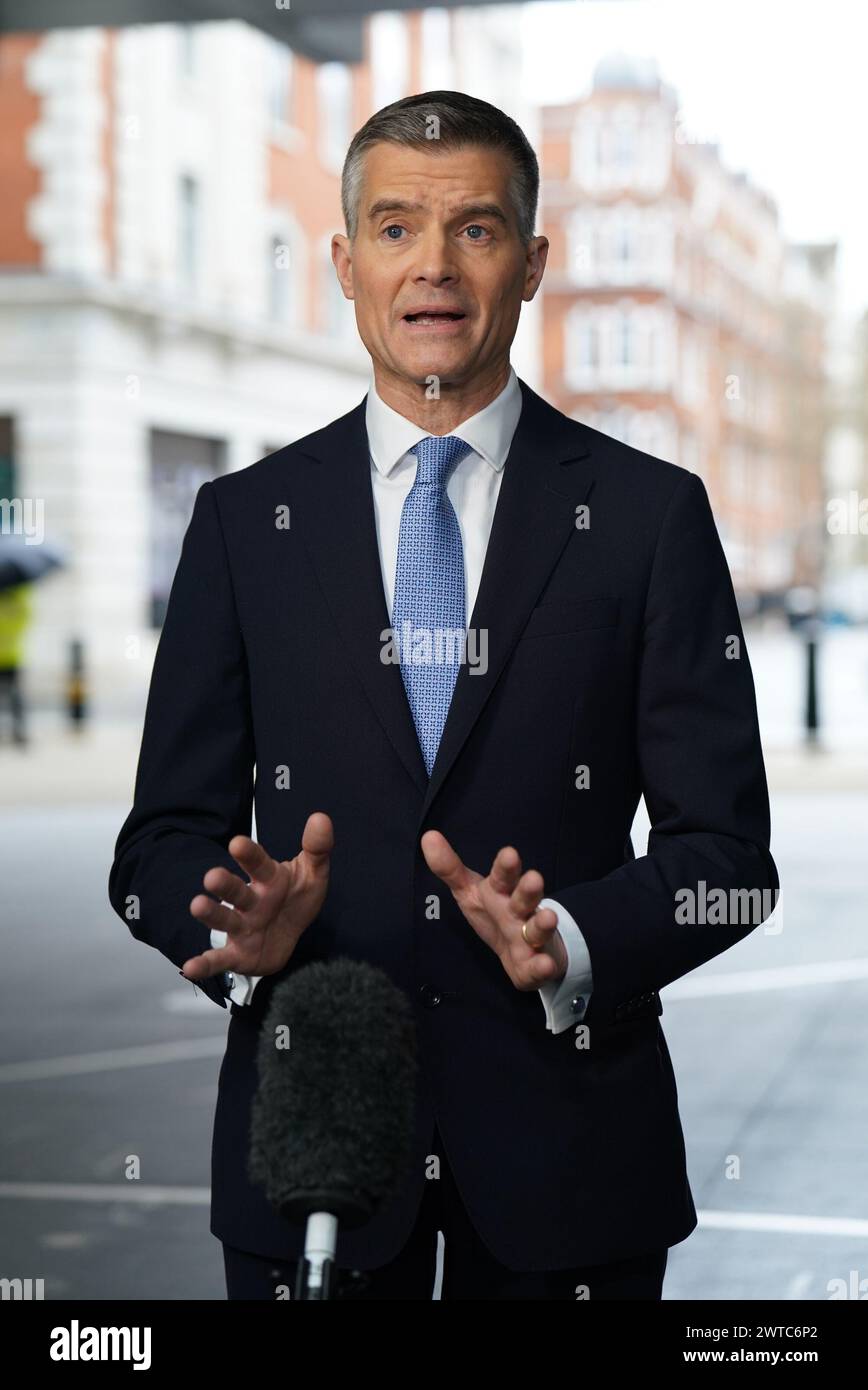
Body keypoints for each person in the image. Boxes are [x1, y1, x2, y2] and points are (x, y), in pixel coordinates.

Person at [108, 91, 778, 1301]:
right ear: (344, 262)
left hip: (572, 1166)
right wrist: (228, 929)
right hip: (313, 1153)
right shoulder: (244, 525)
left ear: (530, 265)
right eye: (394, 226)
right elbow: (155, 841)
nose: (433, 265)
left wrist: (574, 936)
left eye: (474, 229)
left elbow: (727, 853)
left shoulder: (647, 518)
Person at [0, 581, 32, 746]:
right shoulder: (21, 592)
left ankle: (19, 730)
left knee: (15, 695)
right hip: (13, 652)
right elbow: (27, 617)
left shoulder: (20, 592)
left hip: (12, 654)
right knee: (16, 694)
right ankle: (19, 731)